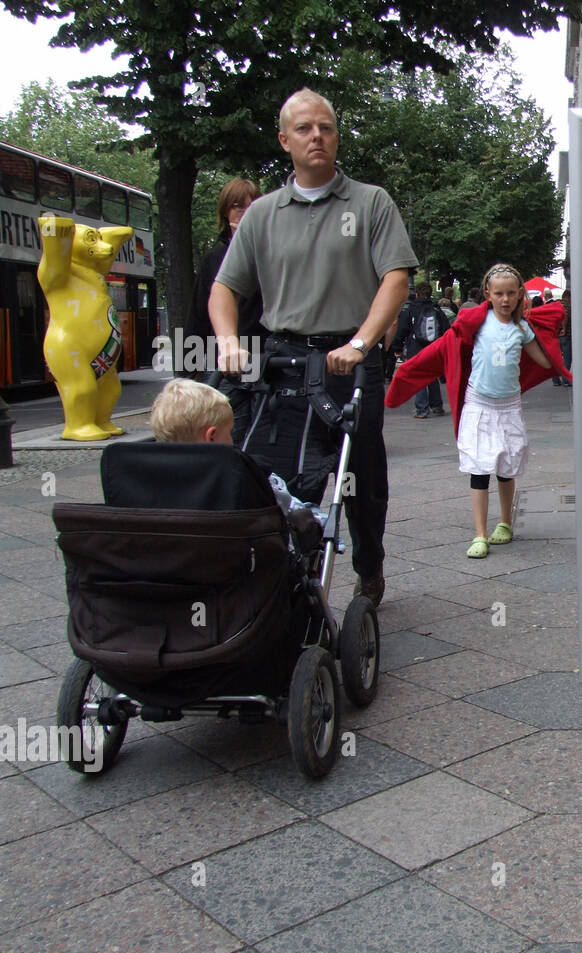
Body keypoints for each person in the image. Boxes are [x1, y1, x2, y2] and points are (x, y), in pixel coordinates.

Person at [210, 88, 417, 606]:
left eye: (325, 127)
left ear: (336, 135)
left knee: (363, 475)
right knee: (283, 473)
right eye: (304, 128)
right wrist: (230, 341)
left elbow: (395, 279)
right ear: (284, 140)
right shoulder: (261, 214)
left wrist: (362, 342)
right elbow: (225, 288)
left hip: (350, 356)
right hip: (285, 359)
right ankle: (291, 573)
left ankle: (369, 568)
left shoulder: (370, 202)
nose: (316, 136)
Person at [385, 263, 571, 558]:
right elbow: (447, 347)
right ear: (488, 293)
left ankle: (505, 524)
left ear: (520, 293)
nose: (506, 299)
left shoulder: (522, 328)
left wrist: (548, 338)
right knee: (479, 469)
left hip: (508, 406)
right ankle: (480, 534)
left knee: (506, 469)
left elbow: (546, 362)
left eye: (511, 293)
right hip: (479, 405)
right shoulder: (476, 322)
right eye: (499, 293)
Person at [148, 378, 323, 523]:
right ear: (211, 436)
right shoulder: (248, 473)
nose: (232, 439)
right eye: (230, 432)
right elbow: (287, 508)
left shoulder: (146, 477)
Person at [183, 178, 263, 381]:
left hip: (263, 357)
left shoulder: (270, 255)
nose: (245, 212)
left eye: (252, 206)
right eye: (237, 206)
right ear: (226, 211)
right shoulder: (214, 259)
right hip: (224, 361)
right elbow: (198, 315)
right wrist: (187, 373)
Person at [388, 281, 446, 416]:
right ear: (430, 293)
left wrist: (397, 347)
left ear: (417, 294)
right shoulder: (437, 310)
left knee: (418, 377)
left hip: (415, 347)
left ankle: (421, 409)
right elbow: (446, 330)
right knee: (432, 375)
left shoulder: (410, 310)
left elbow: (402, 329)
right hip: (434, 348)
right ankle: (437, 406)